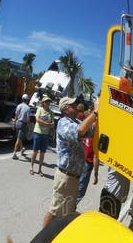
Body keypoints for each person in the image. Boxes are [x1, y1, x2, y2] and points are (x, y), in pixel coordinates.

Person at [42, 96, 98, 227]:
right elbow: (80, 131)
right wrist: (95, 112)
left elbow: (91, 130)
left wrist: (99, 115)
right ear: (66, 109)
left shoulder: (75, 122)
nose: (76, 106)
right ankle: (41, 241)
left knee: (66, 212)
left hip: (72, 177)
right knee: (54, 210)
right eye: (73, 105)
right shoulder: (63, 122)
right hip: (66, 176)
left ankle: (55, 236)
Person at [30, 95, 54, 176]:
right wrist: (47, 124)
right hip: (38, 132)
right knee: (35, 151)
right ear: (43, 103)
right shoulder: (39, 109)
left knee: (42, 152)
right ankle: (31, 167)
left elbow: (53, 123)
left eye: (49, 101)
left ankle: (40, 169)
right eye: (46, 101)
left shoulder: (51, 112)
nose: (48, 103)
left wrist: (49, 124)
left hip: (45, 134)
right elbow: (37, 119)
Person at [12, 94, 31, 159]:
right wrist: (28, 126)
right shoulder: (28, 108)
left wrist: (14, 124)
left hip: (17, 123)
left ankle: (22, 148)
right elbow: (28, 119)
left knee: (19, 137)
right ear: (27, 100)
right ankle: (14, 153)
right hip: (23, 124)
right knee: (18, 139)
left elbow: (16, 116)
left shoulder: (18, 106)